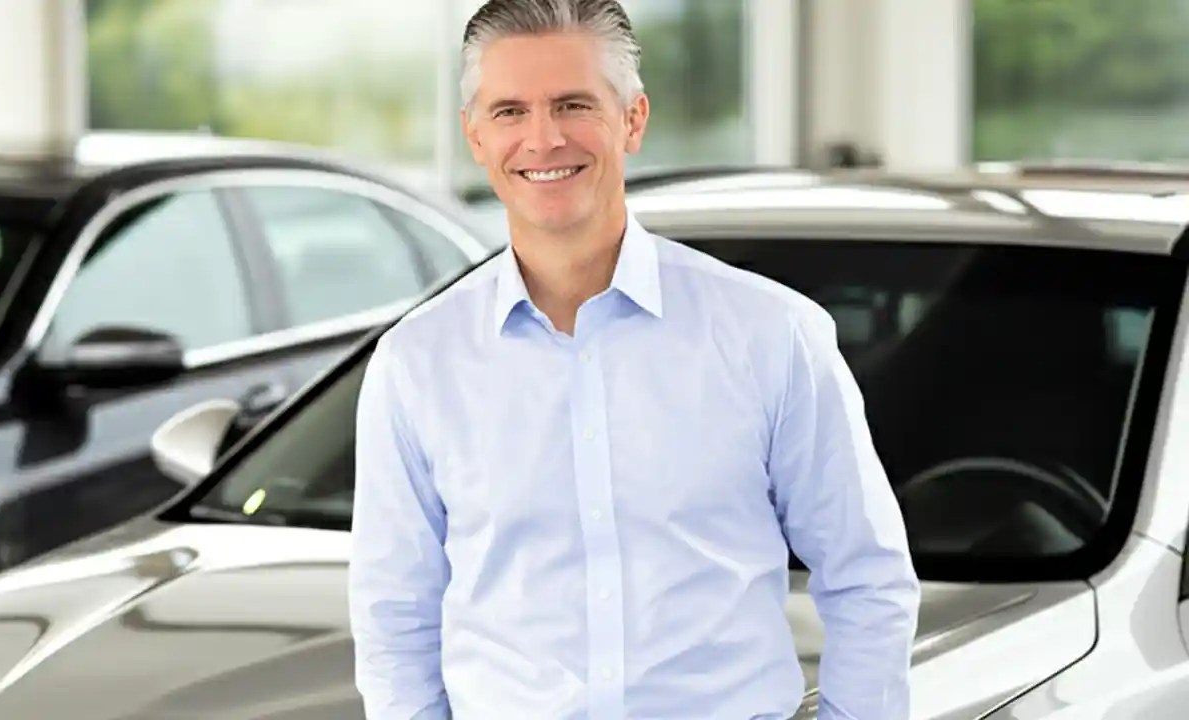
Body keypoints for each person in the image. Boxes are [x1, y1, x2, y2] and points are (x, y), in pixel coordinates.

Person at [348, 0, 921, 717]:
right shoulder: (417, 364)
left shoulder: (771, 335)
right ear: (474, 134)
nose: (543, 137)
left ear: (633, 119)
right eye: (509, 112)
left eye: (573, 103)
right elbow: (394, 620)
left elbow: (867, 579)